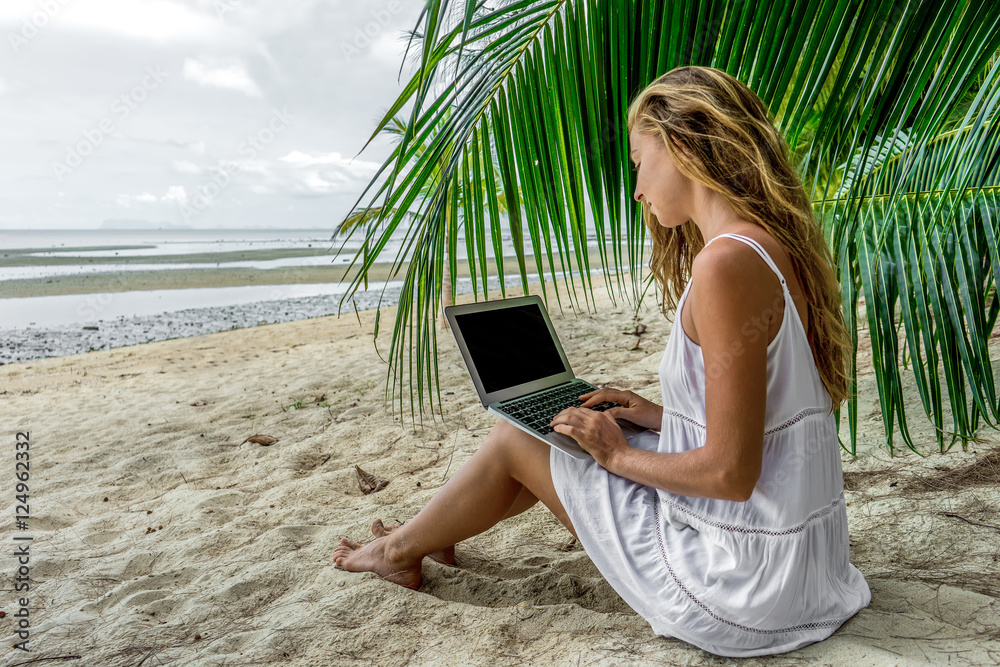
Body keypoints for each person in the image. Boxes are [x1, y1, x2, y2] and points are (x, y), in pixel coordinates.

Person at [333, 65, 871, 657]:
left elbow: (730, 474)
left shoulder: (722, 267)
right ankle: (427, 535)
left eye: (640, 161)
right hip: (806, 571)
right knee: (558, 434)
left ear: (682, 146)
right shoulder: (767, 246)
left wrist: (615, 453)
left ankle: (399, 551)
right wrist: (659, 417)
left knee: (522, 438)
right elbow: (768, 422)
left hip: (741, 587)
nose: (638, 188)